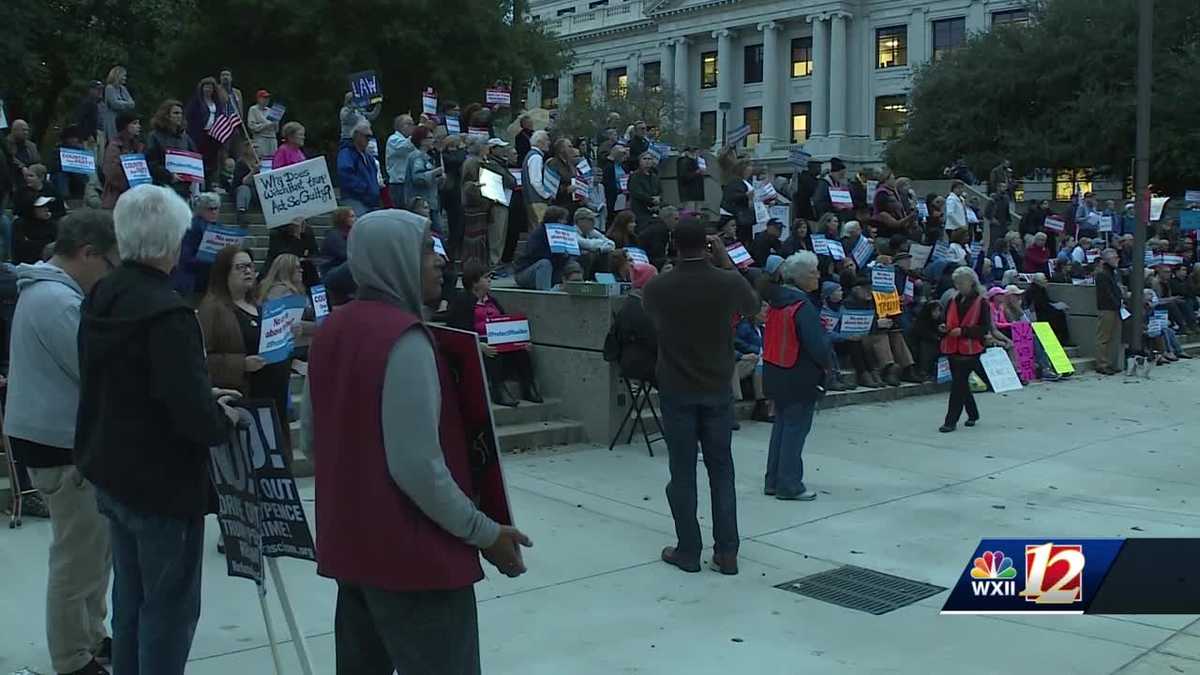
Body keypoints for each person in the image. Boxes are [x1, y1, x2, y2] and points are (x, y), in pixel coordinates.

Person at [302, 208, 531, 674]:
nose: (440, 260)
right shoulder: (405, 340)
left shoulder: (330, 332)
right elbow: (418, 468)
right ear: (393, 259)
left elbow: (311, 440)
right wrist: (486, 533)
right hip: (419, 566)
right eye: (426, 248)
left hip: (356, 554)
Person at [75, 185, 239, 675]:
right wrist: (221, 418)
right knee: (168, 614)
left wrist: (196, 393)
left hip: (113, 469)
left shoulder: (103, 294)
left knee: (130, 603)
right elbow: (192, 416)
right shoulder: (168, 312)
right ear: (172, 242)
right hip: (161, 486)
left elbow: (134, 381)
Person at [7, 210, 119, 675]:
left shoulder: (49, 293)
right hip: (63, 448)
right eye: (110, 264)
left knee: (93, 556)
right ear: (89, 253)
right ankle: (72, 659)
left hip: (61, 442)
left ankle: (90, 636)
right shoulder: (56, 302)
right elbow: (97, 370)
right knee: (78, 561)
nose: (111, 276)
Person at [642, 217, 759, 576]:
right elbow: (753, 307)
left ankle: (688, 551)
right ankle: (727, 552)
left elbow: (653, 323)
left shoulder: (657, 287)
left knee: (682, 473)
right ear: (708, 244)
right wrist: (724, 259)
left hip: (677, 388)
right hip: (717, 387)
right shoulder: (727, 281)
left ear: (673, 245)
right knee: (722, 472)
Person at [761, 251, 829, 501]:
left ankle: (773, 480)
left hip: (775, 370)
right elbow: (817, 346)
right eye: (813, 272)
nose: (818, 276)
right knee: (795, 430)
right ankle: (789, 485)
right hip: (799, 374)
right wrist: (827, 366)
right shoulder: (802, 305)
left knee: (782, 427)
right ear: (799, 277)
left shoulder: (777, 301)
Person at [448, 261, 543, 407]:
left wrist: (520, 340)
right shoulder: (462, 301)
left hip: (498, 341)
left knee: (521, 350)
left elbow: (505, 323)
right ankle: (498, 390)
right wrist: (479, 345)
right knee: (492, 350)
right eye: (486, 277)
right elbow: (458, 331)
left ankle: (528, 387)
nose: (489, 280)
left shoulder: (492, 301)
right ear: (475, 282)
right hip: (478, 345)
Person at [939, 266, 991, 433]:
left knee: (958, 386)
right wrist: (943, 327)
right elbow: (946, 320)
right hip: (953, 347)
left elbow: (984, 328)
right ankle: (973, 414)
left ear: (971, 282)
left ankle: (950, 421)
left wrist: (963, 331)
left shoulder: (982, 302)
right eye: (956, 283)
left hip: (971, 350)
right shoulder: (953, 300)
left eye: (961, 282)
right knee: (960, 384)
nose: (958, 286)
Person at [609, 262, 659, 384]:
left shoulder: (630, 304)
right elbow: (656, 341)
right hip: (645, 365)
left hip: (630, 362)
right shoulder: (642, 308)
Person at [145, 99, 198, 201]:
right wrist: (169, 176)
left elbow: (194, 159)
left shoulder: (185, 138)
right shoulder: (154, 136)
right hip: (163, 189)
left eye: (181, 113)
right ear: (166, 115)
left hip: (184, 189)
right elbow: (151, 163)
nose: (179, 116)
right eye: (175, 113)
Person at [170, 192, 221, 297]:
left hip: (210, 279)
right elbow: (185, 257)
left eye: (216, 208)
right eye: (210, 209)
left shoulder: (218, 226)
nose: (214, 212)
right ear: (201, 210)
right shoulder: (192, 227)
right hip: (193, 279)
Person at [184, 77, 226, 186]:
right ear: (202, 88)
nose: (208, 89)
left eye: (210, 87)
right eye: (206, 87)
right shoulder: (196, 102)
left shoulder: (217, 103)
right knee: (199, 159)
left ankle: (209, 183)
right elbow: (189, 116)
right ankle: (198, 184)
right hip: (199, 135)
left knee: (212, 161)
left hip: (213, 135)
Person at [732, 302, 770, 421]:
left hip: (754, 362)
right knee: (758, 364)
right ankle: (760, 406)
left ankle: (762, 405)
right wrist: (755, 351)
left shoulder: (761, 329)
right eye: (764, 311)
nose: (767, 315)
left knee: (762, 365)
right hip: (739, 362)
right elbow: (735, 343)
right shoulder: (744, 327)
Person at [405, 126, 445, 233]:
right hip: (421, 205)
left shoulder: (428, 156)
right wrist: (436, 172)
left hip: (431, 202)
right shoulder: (417, 157)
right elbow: (418, 178)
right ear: (422, 141)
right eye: (430, 138)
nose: (433, 140)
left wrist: (439, 180)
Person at [337, 120, 381, 216]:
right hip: (354, 200)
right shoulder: (346, 153)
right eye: (366, 136)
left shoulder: (368, 156)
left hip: (370, 202)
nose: (369, 139)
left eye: (370, 137)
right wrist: (365, 189)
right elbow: (345, 176)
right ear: (357, 135)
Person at [266, 218, 320, 288]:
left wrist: (306, 259)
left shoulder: (308, 231)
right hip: (286, 277)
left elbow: (315, 255)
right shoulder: (277, 233)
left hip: (308, 276)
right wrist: (296, 235)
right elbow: (282, 257)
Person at [1094, 248, 1124, 375]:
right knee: (1103, 337)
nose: (1117, 259)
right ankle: (1102, 364)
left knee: (1111, 338)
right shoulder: (1102, 274)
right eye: (1114, 257)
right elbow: (1107, 293)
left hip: (1115, 307)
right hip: (1107, 308)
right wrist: (1117, 303)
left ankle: (1109, 362)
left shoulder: (1113, 272)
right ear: (1107, 259)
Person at [720, 159, 755, 245]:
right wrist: (746, 196)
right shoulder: (735, 182)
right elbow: (732, 196)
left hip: (745, 216)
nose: (751, 170)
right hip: (740, 217)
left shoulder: (745, 182)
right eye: (748, 168)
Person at [523, 130, 553, 227]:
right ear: (539, 142)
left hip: (531, 200)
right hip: (537, 201)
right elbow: (535, 181)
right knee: (540, 227)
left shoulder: (530, 155)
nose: (549, 143)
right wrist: (546, 195)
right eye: (547, 140)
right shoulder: (536, 157)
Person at [385, 114, 416, 206]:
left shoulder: (411, 141)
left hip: (410, 184)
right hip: (399, 185)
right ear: (399, 126)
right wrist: (419, 132)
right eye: (409, 124)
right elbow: (405, 147)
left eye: (413, 124)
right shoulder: (393, 139)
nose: (412, 126)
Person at [100, 66, 135, 143]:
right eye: (124, 76)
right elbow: (115, 104)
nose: (125, 78)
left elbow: (132, 104)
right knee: (114, 141)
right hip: (112, 121)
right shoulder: (109, 88)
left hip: (122, 121)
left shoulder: (123, 89)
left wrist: (121, 103)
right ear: (117, 76)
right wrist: (126, 103)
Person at [628, 151, 661, 228]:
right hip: (640, 209)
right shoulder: (635, 176)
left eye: (649, 159)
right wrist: (652, 200)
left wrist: (659, 198)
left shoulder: (654, 176)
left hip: (654, 209)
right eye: (645, 159)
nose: (647, 161)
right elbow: (637, 193)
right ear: (639, 161)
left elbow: (660, 191)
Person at [320, 207, 355, 277]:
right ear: (343, 218)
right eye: (352, 216)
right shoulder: (333, 235)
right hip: (332, 271)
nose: (355, 219)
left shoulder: (349, 233)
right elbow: (344, 255)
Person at [246, 89, 279, 159]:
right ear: (258, 99)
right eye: (264, 98)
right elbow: (251, 126)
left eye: (267, 98)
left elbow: (276, 130)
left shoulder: (270, 111)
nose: (266, 100)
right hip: (261, 138)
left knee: (273, 158)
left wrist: (276, 123)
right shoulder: (253, 109)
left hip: (272, 138)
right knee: (262, 158)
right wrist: (266, 125)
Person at [676, 147, 706, 211]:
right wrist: (697, 172)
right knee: (690, 213)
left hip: (698, 194)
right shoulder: (683, 160)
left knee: (697, 213)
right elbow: (684, 177)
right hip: (689, 194)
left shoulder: (698, 159)